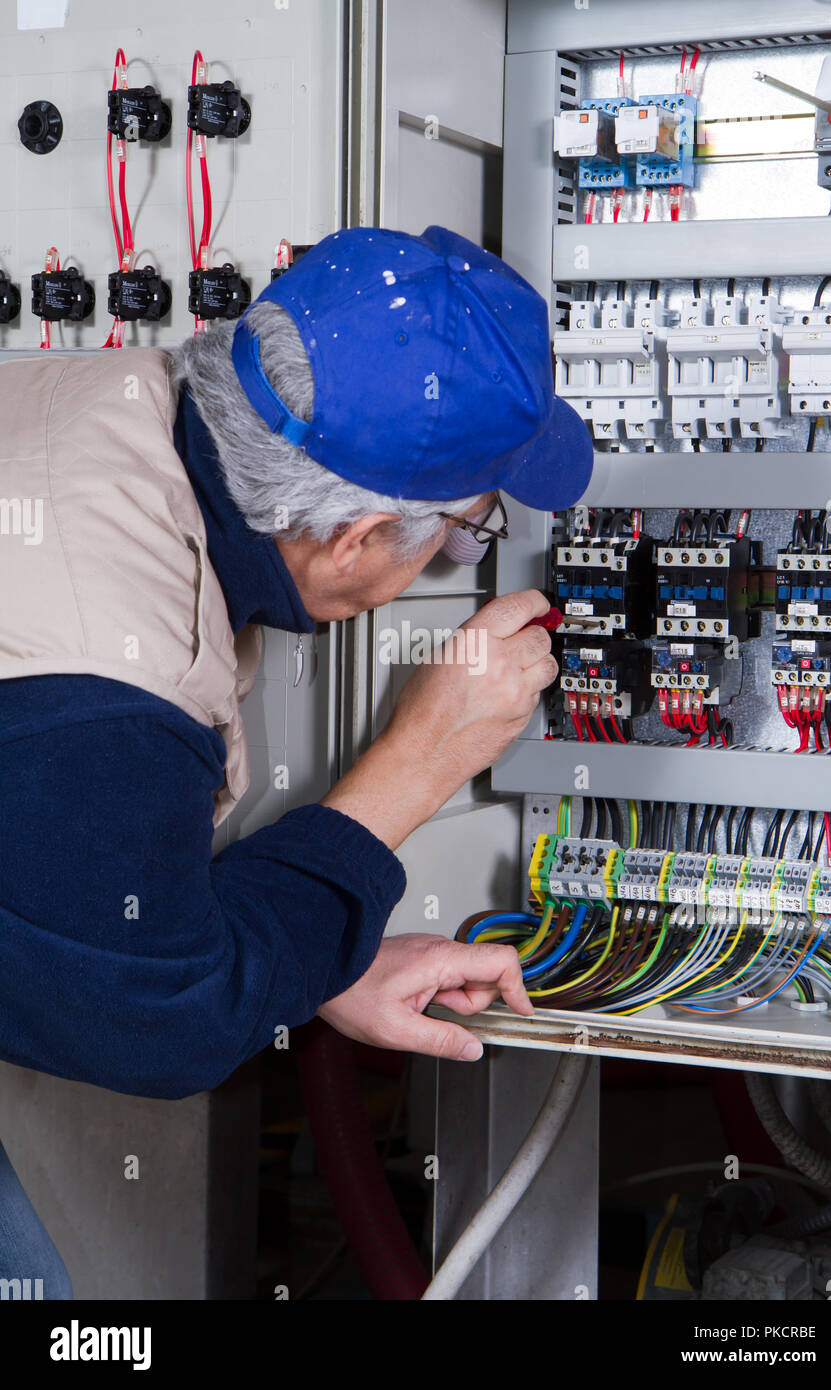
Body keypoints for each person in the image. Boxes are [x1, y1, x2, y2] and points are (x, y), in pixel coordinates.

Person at [0, 223, 592, 1294]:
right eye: (465, 529)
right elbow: (159, 1024)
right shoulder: (105, 685)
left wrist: (315, 959)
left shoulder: (104, 402)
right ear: (358, 538)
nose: (460, 554)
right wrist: (416, 761)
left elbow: (106, 906)